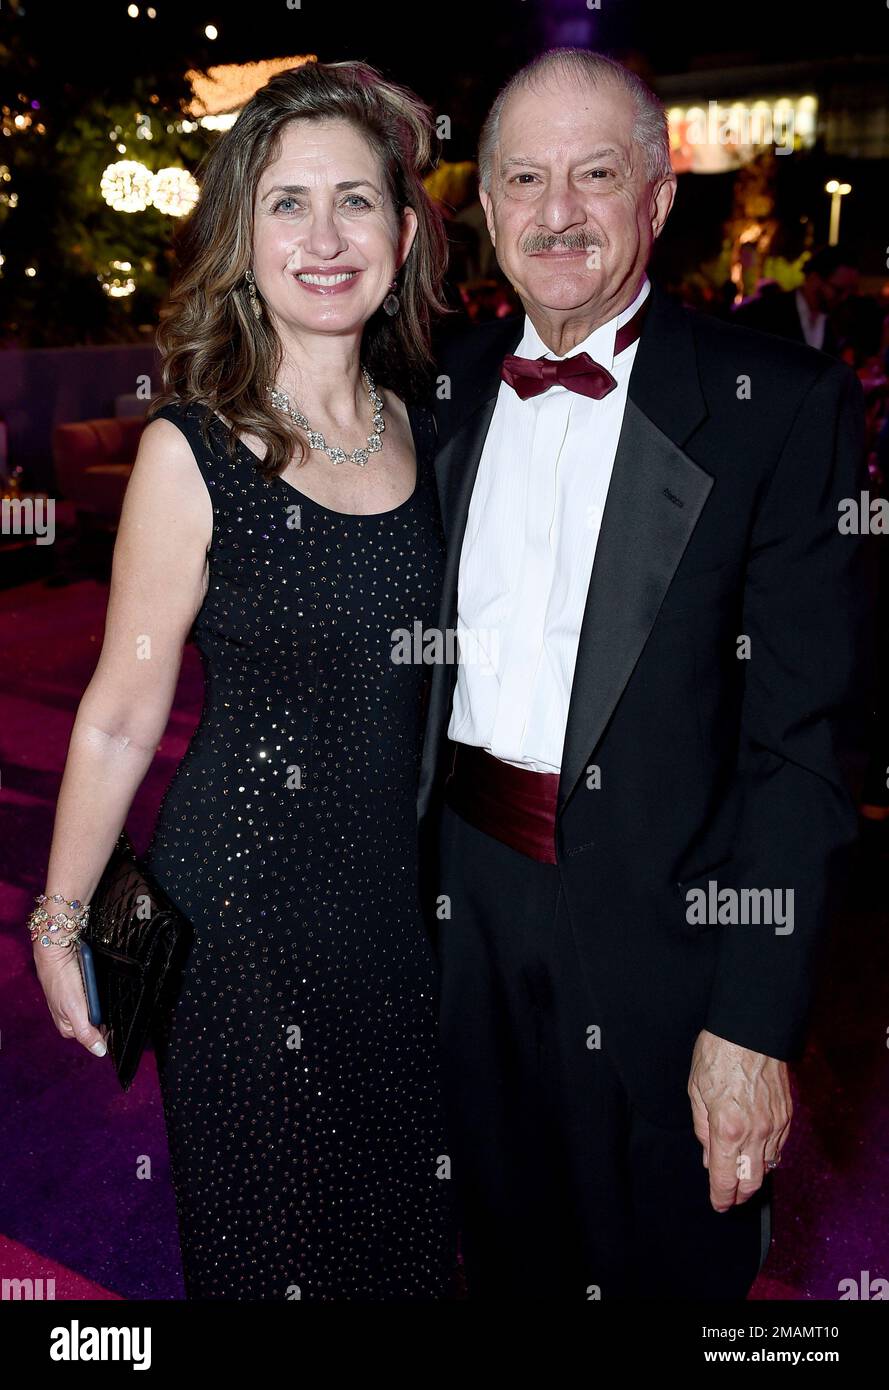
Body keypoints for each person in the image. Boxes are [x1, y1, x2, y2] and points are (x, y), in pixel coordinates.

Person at [417, 48, 871, 1300]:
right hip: (461, 916)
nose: (556, 211)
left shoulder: (779, 406)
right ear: (488, 207)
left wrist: (755, 1022)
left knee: (669, 1268)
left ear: (657, 202)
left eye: (595, 174)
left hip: (672, 942)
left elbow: (801, 747)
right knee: (500, 1260)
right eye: (523, 178)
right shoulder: (432, 391)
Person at [32, 59, 457, 1301]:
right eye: (286, 202)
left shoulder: (433, 423)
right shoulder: (194, 446)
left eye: (354, 201)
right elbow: (120, 712)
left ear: (404, 229)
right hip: (244, 925)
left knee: (406, 1248)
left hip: (400, 919)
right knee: (274, 1253)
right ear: (241, 232)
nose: (323, 238)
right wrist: (59, 917)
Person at [732, 244, 860, 356]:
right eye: (839, 290)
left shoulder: (835, 321)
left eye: (850, 291)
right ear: (814, 278)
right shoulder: (768, 311)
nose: (844, 297)